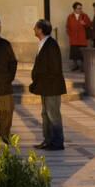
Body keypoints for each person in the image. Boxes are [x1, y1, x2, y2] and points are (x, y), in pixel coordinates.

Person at [29, 19, 66, 150]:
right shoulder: (43, 44)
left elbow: (54, 68)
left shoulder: (51, 45)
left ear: (40, 30)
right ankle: (48, 139)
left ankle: (57, 141)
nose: (34, 29)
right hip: (45, 86)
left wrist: (42, 79)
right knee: (45, 114)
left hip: (52, 86)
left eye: (35, 27)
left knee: (53, 114)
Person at [65, 1, 90, 71]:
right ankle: (75, 65)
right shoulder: (70, 17)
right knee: (74, 53)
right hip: (73, 38)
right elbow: (67, 27)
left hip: (82, 38)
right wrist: (70, 34)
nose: (80, 10)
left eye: (81, 8)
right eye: (78, 8)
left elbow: (89, 24)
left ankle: (83, 66)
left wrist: (85, 23)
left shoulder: (84, 15)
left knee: (82, 53)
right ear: (74, 9)